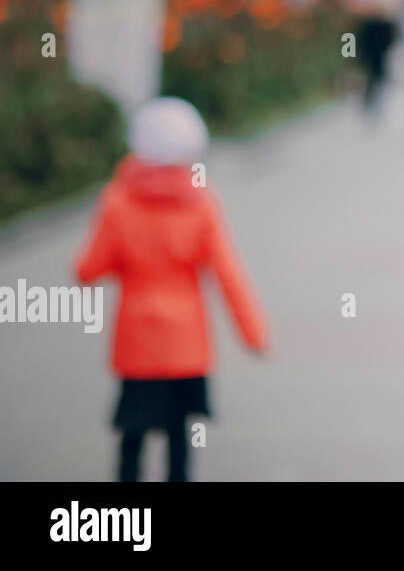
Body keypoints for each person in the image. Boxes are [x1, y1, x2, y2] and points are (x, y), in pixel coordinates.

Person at [74, 96, 269, 481]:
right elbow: (227, 274)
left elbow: (87, 269)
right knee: (180, 435)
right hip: (186, 345)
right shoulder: (201, 203)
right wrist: (253, 334)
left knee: (132, 433)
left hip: (137, 345)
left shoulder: (117, 202)